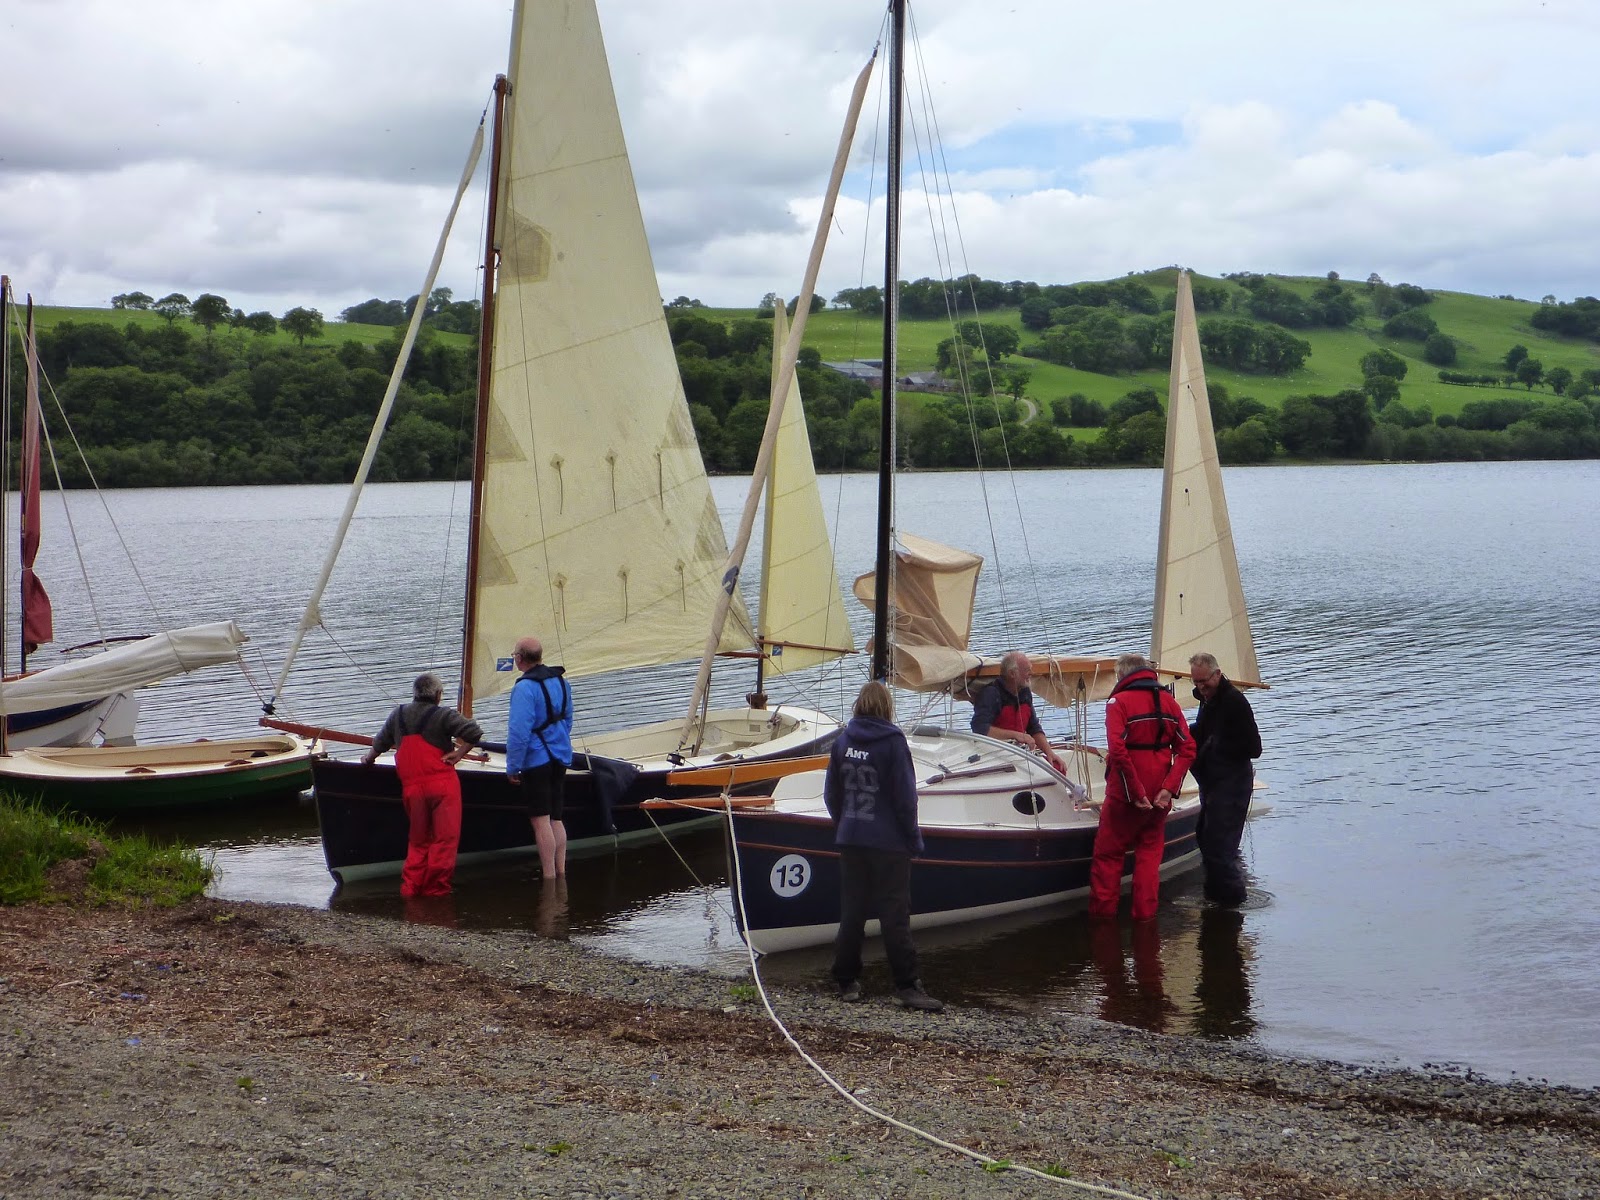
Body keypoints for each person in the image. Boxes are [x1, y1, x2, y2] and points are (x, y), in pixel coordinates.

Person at [826, 680, 943, 1013]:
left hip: (851, 838)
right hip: (888, 843)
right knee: (894, 915)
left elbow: (832, 794)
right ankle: (908, 986)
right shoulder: (893, 744)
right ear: (886, 707)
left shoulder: (842, 742)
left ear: (859, 706)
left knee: (852, 912)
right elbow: (905, 798)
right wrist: (913, 840)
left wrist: (844, 824)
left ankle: (846, 980)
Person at [1089, 652, 1196, 922]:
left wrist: (1135, 792)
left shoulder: (1118, 703)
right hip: (1159, 793)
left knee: (1109, 857)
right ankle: (1145, 921)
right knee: (1149, 856)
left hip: (1126, 795)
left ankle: (1103, 924)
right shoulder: (1170, 703)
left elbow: (1118, 750)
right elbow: (1188, 749)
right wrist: (1169, 788)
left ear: (1122, 675)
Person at [363, 672, 482, 898]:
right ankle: (436, 894)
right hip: (443, 788)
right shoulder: (443, 715)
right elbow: (474, 732)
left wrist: (367, 760)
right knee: (443, 842)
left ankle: (410, 892)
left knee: (418, 842)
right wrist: (459, 753)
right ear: (438, 695)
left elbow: (378, 744)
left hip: (412, 790)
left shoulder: (397, 715)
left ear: (415, 694)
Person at [1188, 651, 1262, 907]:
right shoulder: (1206, 700)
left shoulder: (1234, 701)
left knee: (1220, 847)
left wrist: (1216, 746)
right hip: (1212, 781)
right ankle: (1214, 898)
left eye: (1204, 682)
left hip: (1233, 782)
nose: (1200, 688)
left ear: (1217, 674)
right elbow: (1204, 731)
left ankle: (1233, 903)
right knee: (1204, 838)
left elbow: (1255, 748)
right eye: (1195, 682)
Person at [506, 636, 573, 879]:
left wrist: (513, 766)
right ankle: (561, 871)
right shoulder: (561, 681)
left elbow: (519, 733)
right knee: (556, 816)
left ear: (520, 658)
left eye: (514, 655)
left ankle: (548, 876)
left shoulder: (524, 688)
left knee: (540, 819)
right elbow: (568, 720)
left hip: (536, 760)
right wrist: (558, 742)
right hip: (560, 756)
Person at [969, 650, 1066, 772]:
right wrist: (1016, 735)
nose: (1031, 673)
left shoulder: (1025, 693)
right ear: (1012, 673)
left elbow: (1033, 727)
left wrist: (1049, 753)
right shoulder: (991, 694)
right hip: (994, 755)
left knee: (1058, 768)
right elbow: (979, 728)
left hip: (1019, 753)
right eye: (1026, 670)